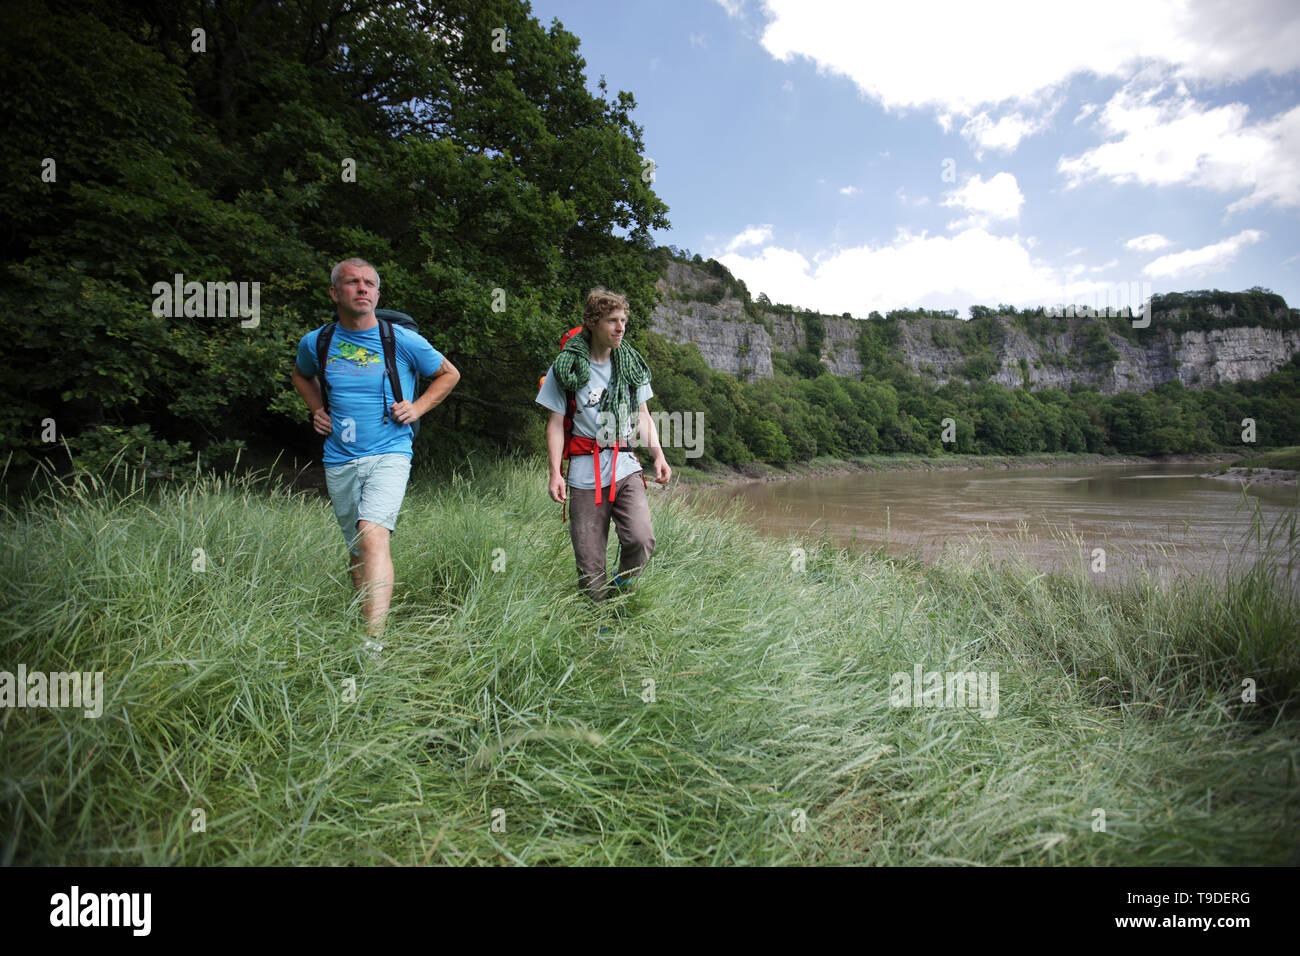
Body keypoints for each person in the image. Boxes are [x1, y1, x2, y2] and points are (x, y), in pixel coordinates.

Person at [291, 258, 460, 648]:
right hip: (339, 456)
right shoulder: (316, 342)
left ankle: (372, 645)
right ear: (335, 293)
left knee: (372, 534)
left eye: (370, 283)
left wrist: (417, 408)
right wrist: (316, 409)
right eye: (353, 283)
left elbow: (449, 373)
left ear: (378, 294)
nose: (362, 288)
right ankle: (360, 618)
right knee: (356, 547)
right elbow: (301, 374)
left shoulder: (400, 339)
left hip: (391, 450)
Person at [536, 287, 671, 601]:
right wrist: (555, 472)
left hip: (625, 466)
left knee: (641, 538)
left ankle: (620, 590)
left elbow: (643, 417)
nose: (620, 327)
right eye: (612, 320)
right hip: (584, 473)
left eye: (623, 320)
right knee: (589, 563)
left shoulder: (631, 365)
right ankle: (596, 622)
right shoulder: (565, 368)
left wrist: (658, 456)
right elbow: (556, 424)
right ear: (592, 322)